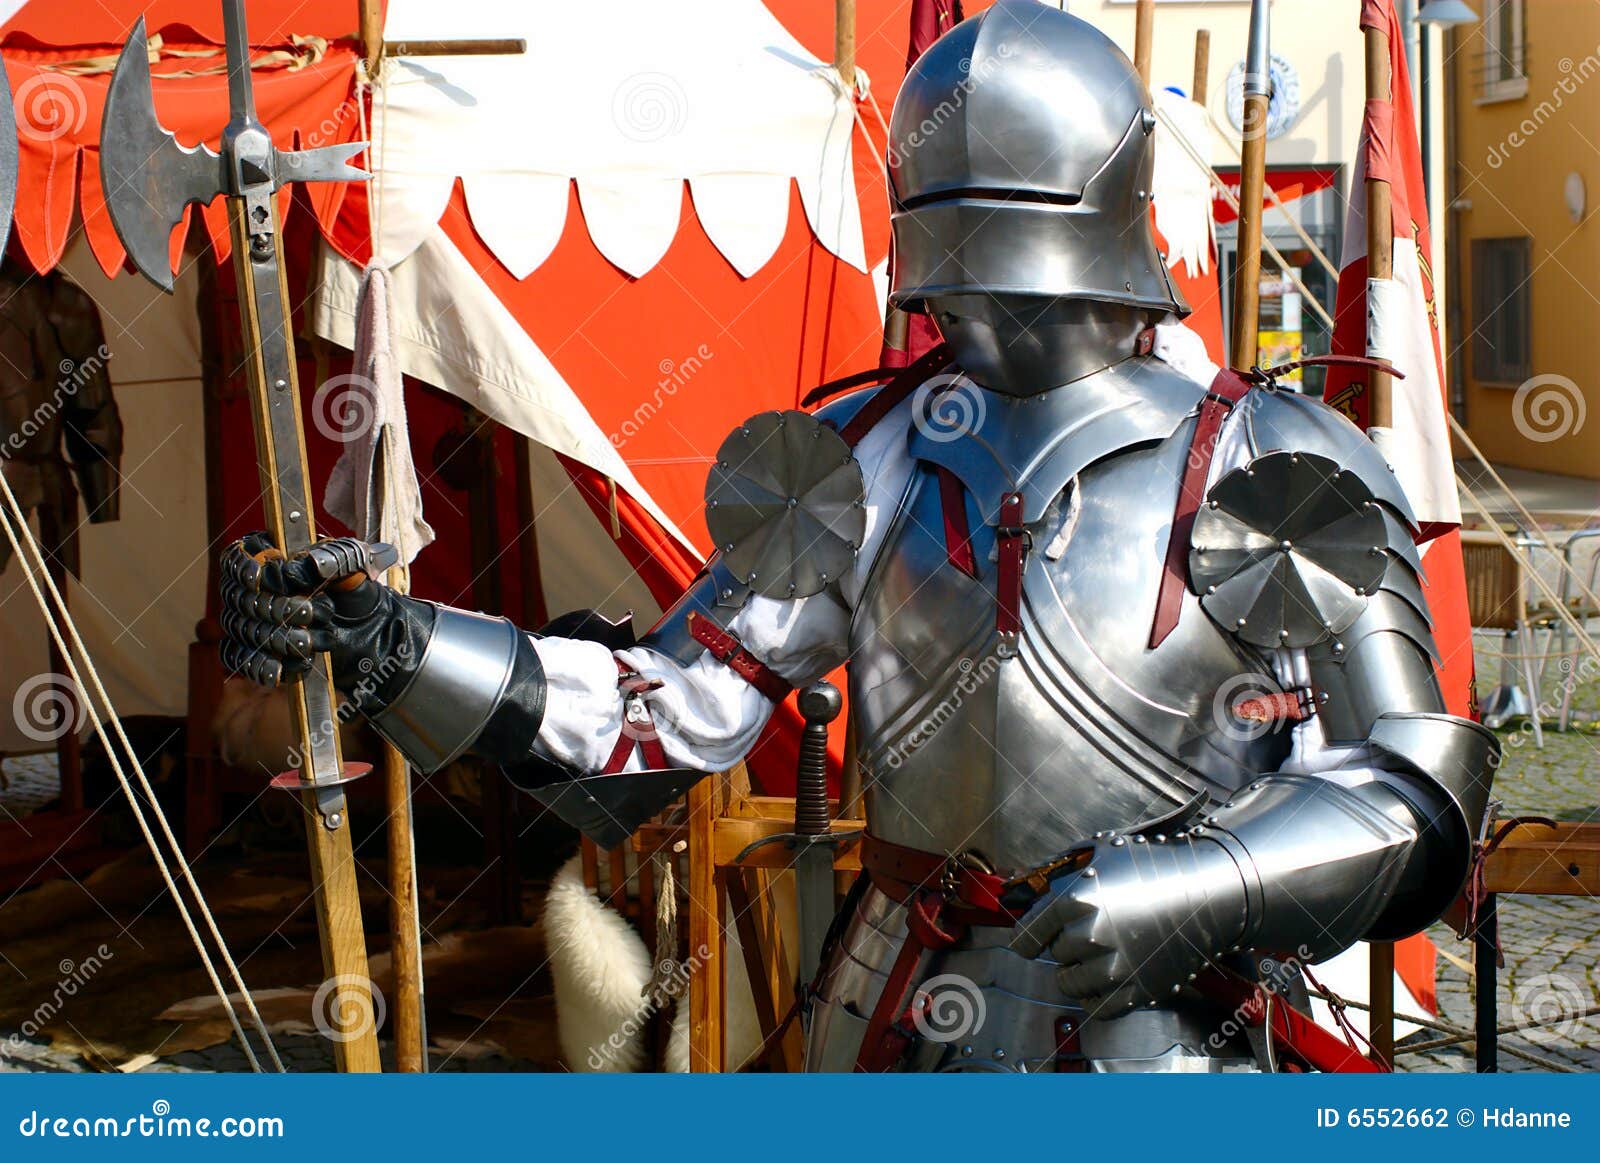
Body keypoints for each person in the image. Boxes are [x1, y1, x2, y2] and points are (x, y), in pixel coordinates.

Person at [219, 2, 1494, 1072]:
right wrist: (399, 643)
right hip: (889, 997)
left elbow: (1413, 788)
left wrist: (1204, 885)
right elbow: (666, 708)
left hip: (1172, 1030)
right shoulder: (868, 449)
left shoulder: (1272, 457)